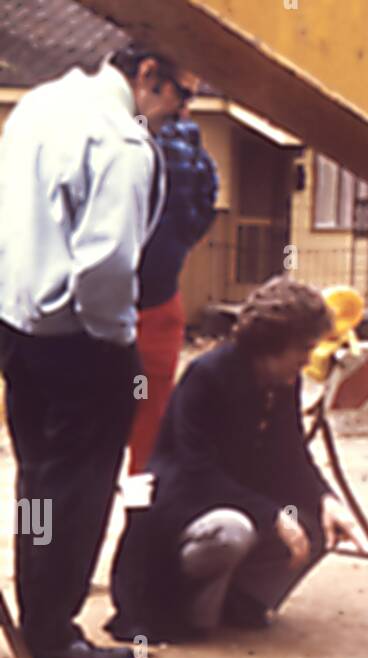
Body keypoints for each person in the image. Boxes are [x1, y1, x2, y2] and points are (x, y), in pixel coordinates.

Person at [0, 45, 192, 658]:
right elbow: (107, 262)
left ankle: (37, 613)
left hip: (19, 329)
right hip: (81, 342)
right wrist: (115, 341)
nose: (181, 114)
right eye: (179, 96)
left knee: (39, 480)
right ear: (145, 75)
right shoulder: (121, 144)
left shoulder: (40, 105)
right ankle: (53, 631)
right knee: (78, 491)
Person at [107, 276, 360, 643]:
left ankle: (243, 601)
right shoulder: (207, 375)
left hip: (241, 497)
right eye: (302, 348)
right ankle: (187, 612)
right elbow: (196, 472)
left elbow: (292, 455)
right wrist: (273, 515)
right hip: (187, 504)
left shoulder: (283, 381)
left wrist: (326, 498)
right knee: (232, 531)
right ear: (273, 345)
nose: (307, 360)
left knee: (321, 524)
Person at [128, 112, 218, 474]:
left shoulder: (83, 129)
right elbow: (205, 203)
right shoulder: (186, 144)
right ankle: (138, 520)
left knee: (56, 453)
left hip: (71, 314)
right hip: (157, 297)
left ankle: (41, 531)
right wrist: (174, 248)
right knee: (149, 423)